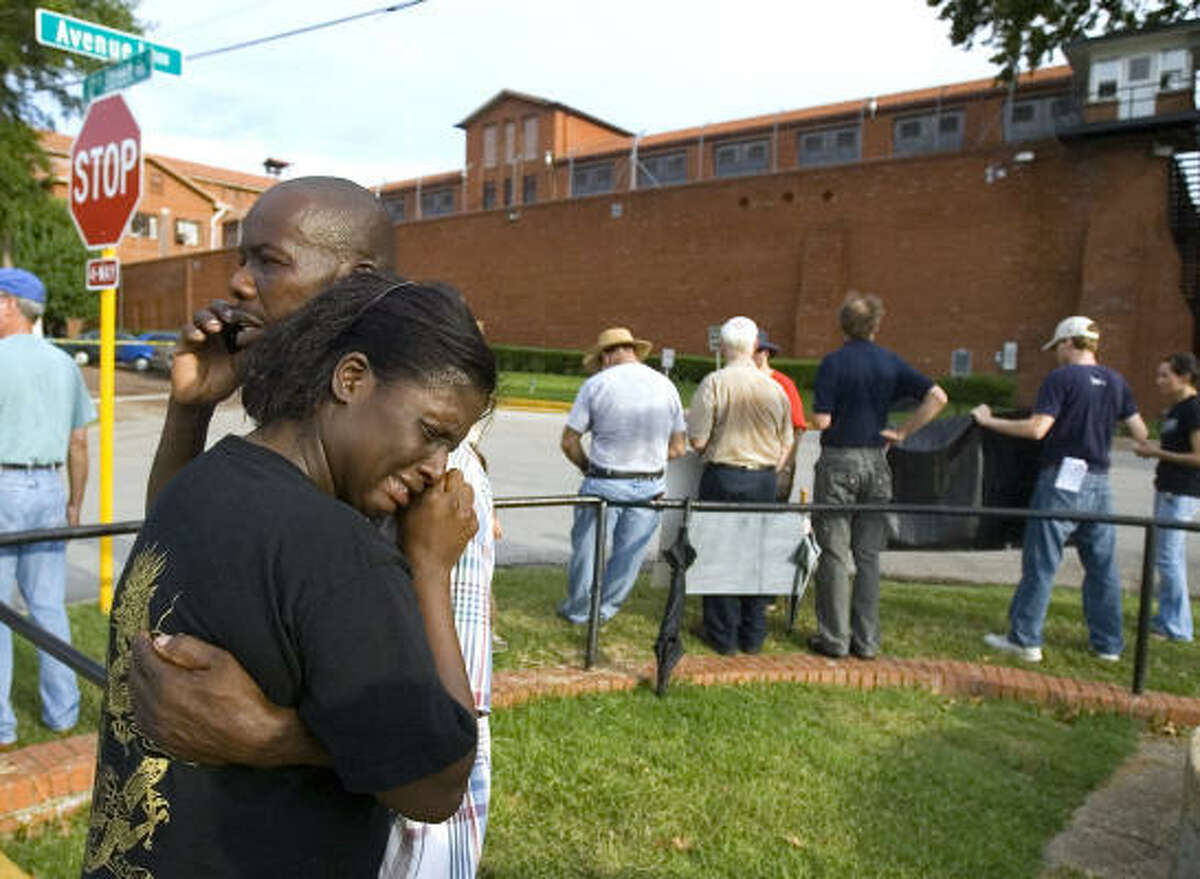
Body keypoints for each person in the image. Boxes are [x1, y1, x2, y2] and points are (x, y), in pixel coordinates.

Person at [131, 177, 496, 876]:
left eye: (269, 261)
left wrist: (273, 736)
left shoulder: (432, 482)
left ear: (351, 282)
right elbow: (175, 554)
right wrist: (191, 410)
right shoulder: (297, 436)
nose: (239, 283)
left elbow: (440, 735)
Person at [974, 315, 1147, 663]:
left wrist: (988, 421)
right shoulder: (1116, 381)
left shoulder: (1062, 378)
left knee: (1041, 562)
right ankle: (1108, 645)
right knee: (1101, 566)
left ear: (1069, 342)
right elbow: (1140, 433)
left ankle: (1025, 639)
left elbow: (1038, 429)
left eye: (1057, 347)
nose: (1056, 353)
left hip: (1061, 481)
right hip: (1099, 481)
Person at [809, 293, 947, 660]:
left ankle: (834, 639)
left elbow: (822, 420)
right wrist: (903, 432)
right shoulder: (890, 362)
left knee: (834, 552)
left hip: (839, 459)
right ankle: (866, 641)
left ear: (842, 325)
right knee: (868, 555)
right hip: (876, 459)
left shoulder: (833, 364)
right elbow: (938, 396)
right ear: (877, 325)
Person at [0, 268, 95, 747]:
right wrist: (74, 502)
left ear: (9, 304)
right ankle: (63, 714)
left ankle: (2, 725)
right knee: (47, 605)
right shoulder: (63, 364)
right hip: (50, 489)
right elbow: (79, 442)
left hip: (3, 484)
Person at [558, 327, 686, 625]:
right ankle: (604, 611)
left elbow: (569, 441)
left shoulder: (597, 384)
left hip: (604, 480)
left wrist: (586, 467)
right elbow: (679, 447)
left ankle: (579, 610)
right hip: (651, 482)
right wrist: (650, 456)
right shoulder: (666, 386)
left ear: (606, 356)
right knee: (629, 554)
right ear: (632, 351)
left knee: (588, 549)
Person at [687, 316, 793, 655]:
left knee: (719, 555)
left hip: (724, 473)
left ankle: (722, 635)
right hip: (762, 477)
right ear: (754, 347)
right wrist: (769, 468)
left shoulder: (714, 383)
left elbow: (699, 440)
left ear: (723, 346)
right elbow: (786, 443)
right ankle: (753, 634)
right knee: (755, 557)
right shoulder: (775, 388)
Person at [1133, 352, 1200, 642]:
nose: (1159, 381)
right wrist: (1154, 449)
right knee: (1167, 558)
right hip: (1167, 488)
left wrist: (1156, 453)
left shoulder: (1194, 408)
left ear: (1184, 376)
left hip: (1182, 491)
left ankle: (1178, 627)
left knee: (1168, 558)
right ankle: (1167, 618)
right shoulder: (1176, 409)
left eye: (1165, 375)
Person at [753, 329, 807, 501]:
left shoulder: (783, 383)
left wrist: (782, 468)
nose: (751, 356)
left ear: (766, 353)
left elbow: (796, 428)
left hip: (774, 462)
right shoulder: (739, 380)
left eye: (756, 351)